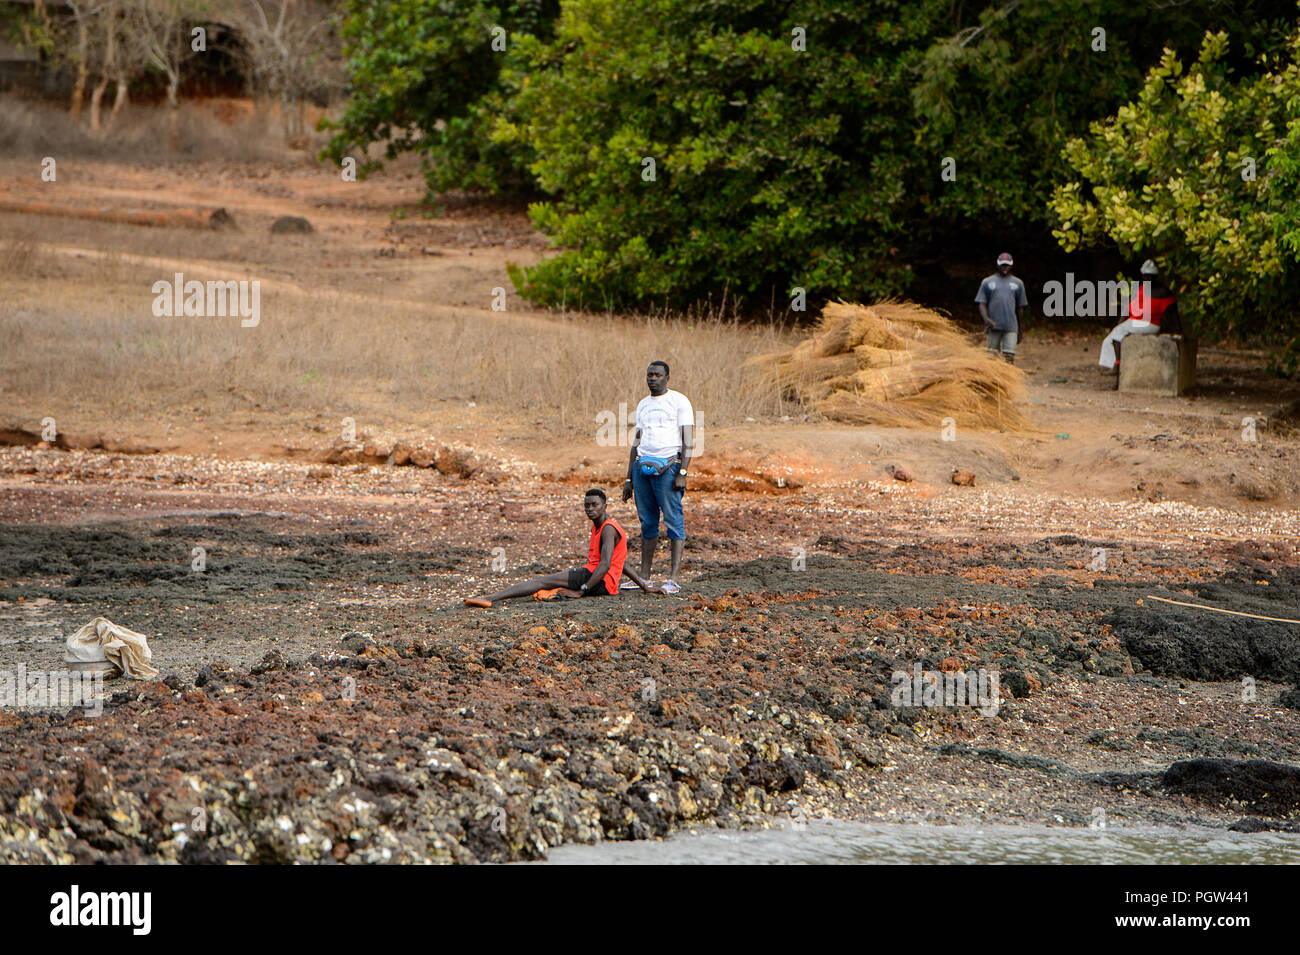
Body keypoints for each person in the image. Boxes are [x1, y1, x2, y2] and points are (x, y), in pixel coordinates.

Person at [464, 489, 661, 607]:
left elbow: (605, 564)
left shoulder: (608, 529)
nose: (590, 509)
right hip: (602, 582)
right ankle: (556, 591)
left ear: (605, 506)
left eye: (594, 505)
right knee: (550, 584)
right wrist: (644, 585)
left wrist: (582, 590)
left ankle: (490, 598)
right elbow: (620, 562)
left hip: (596, 580)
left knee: (542, 581)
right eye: (587, 506)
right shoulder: (601, 526)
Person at [622, 360, 694, 594]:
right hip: (642, 467)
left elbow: (688, 441)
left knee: (673, 520)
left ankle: (673, 579)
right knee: (648, 521)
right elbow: (637, 441)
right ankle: (644, 577)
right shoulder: (643, 404)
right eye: (649, 375)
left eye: (657, 375)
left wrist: (682, 472)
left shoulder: (679, 401)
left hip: (669, 467)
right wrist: (629, 478)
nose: (652, 379)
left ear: (667, 378)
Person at [1099, 260, 1181, 375]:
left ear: (1155, 277)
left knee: (1118, 333)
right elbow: (1128, 309)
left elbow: (1172, 313)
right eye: (1146, 277)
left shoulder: (1163, 291)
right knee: (1109, 339)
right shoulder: (1140, 289)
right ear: (1143, 276)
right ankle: (1114, 366)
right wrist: (1120, 324)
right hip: (1135, 322)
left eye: (1151, 277)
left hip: (1150, 323)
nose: (1148, 279)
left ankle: (1117, 366)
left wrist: (1177, 331)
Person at [975, 252, 1029, 364]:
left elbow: (1020, 308)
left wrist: (1020, 329)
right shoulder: (988, 282)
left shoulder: (1018, 283)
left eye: (1007, 265)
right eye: (1002, 265)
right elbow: (981, 303)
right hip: (993, 325)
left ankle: (1008, 380)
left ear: (1011, 265)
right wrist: (986, 319)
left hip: (1011, 326)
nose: (1005, 268)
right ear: (997, 265)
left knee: (1009, 356)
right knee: (991, 357)